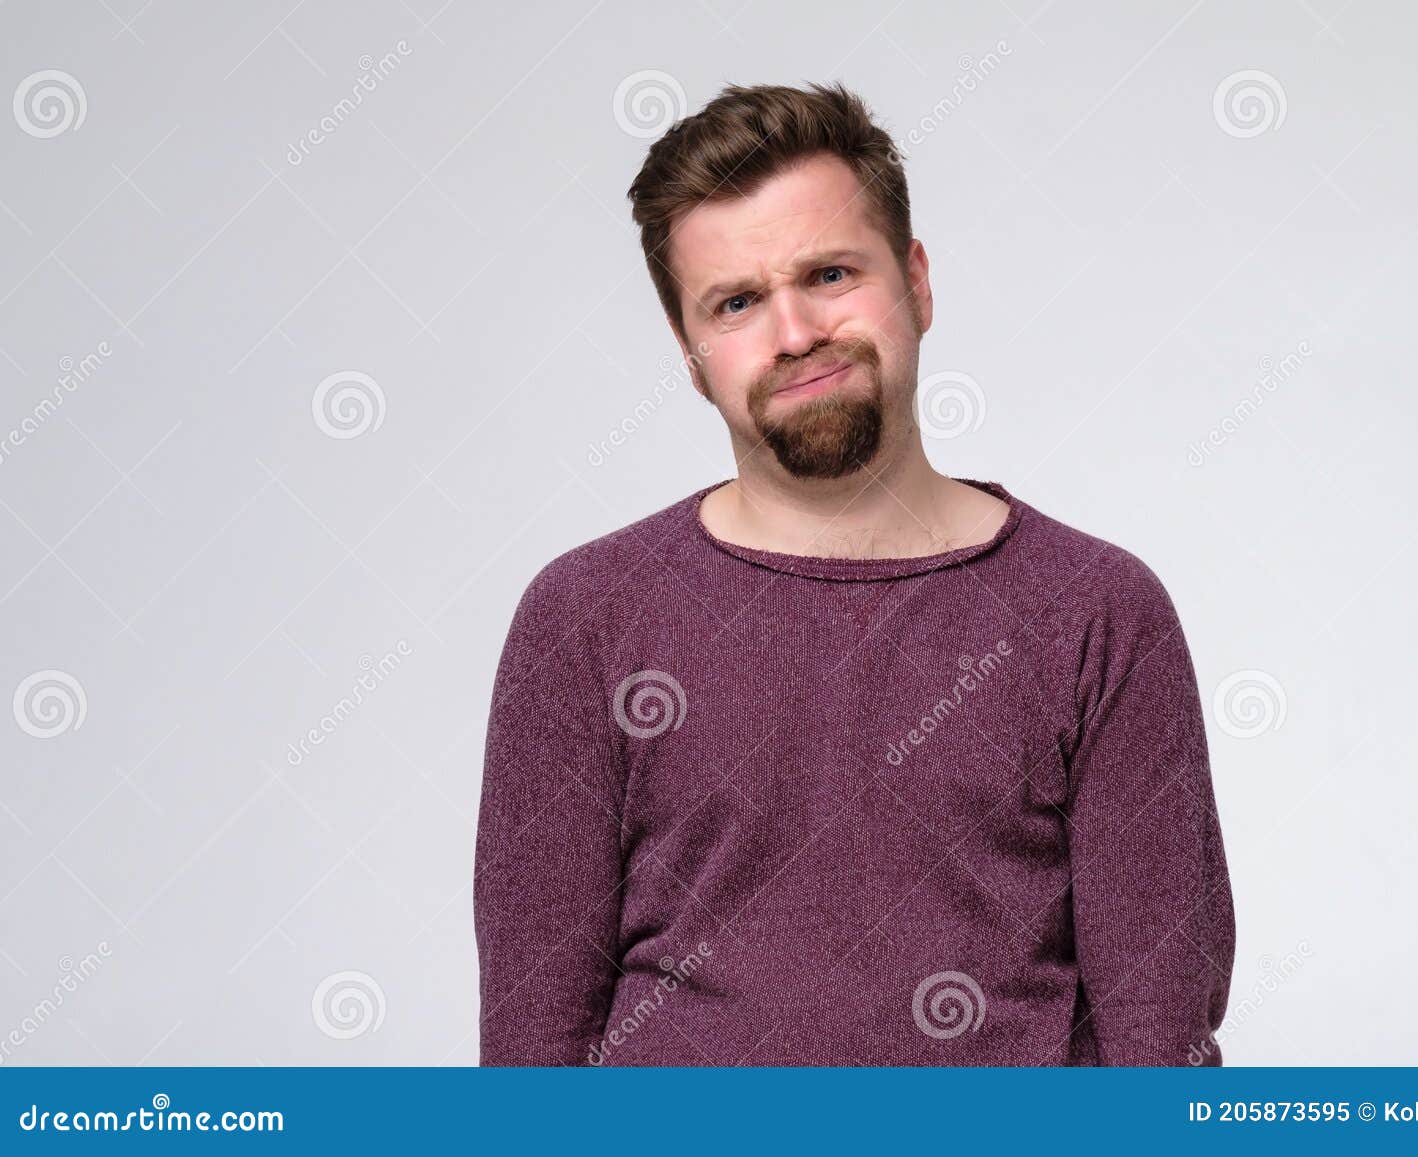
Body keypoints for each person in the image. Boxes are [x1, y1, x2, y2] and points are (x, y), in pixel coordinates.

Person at [474, 82, 1235, 1066]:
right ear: (693, 354)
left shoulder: (1094, 612)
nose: (794, 333)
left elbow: (1157, 1041)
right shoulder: (585, 617)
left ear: (916, 281)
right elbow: (530, 1047)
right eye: (737, 302)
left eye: (830, 273)